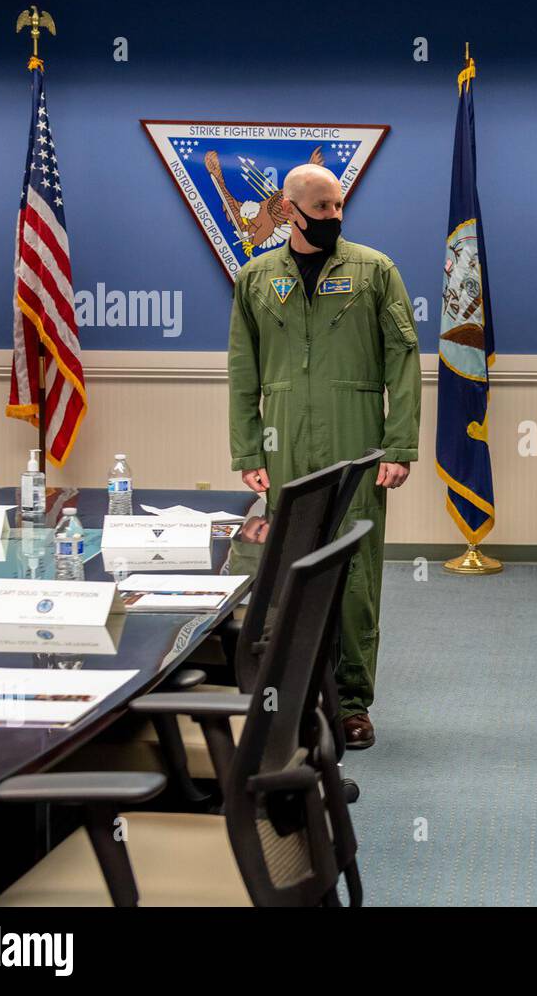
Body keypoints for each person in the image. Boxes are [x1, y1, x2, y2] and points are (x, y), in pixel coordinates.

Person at [227, 162, 421, 750]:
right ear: (289, 211)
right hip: (284, 438)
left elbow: (403, 359)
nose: (334, 217)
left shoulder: (373, 271)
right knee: (285, 572)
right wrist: (247, 446)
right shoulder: (256, 278)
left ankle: (353, 702)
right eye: (322, 208)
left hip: (357, 438)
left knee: (356, 574)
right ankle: (291, 693)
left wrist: (399, 443)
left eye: (339, 206)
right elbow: (243, 368)